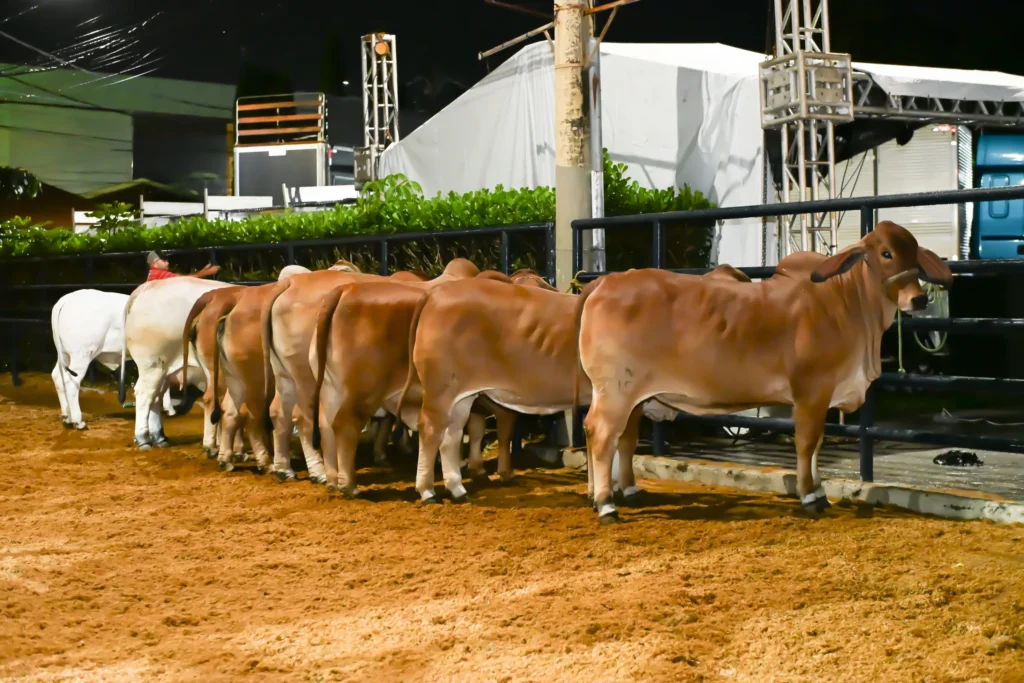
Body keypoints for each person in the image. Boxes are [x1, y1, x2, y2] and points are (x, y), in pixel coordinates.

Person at [146, 251, 220, 281]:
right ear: (154, 264)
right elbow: (183, 279)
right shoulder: (160, 274)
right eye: (163, 261)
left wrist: (202, 272)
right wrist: (208, 272)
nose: (167, 263)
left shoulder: (154, 273)